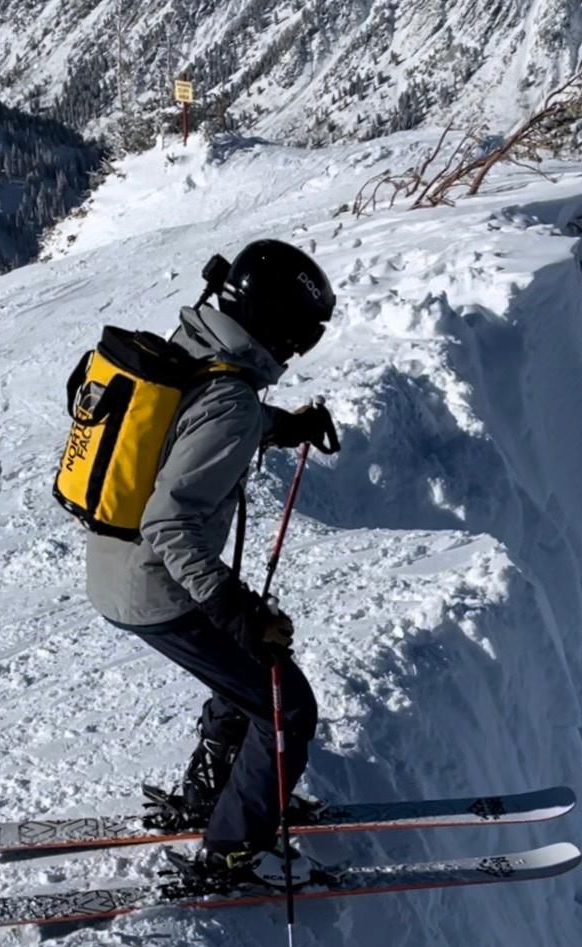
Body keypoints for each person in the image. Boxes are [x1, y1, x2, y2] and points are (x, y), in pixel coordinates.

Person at [86, 240, 337, 888]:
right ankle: (232, 849)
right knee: (285, 707)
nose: (298, 351)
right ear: (279, 326)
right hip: (156, 586)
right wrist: (238, 609)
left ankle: (217, 794)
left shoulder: (196, 347)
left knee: (246, 673)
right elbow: (168, 521)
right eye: (302, 336)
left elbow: (197, 419)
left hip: (120, 568)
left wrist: (279, 426)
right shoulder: (233, 399)